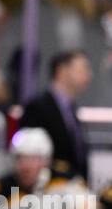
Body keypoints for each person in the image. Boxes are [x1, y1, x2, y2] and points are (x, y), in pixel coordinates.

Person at [0, 128, 88, 209]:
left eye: (32, 159)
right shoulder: (2, 188)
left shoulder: (65, 180)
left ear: (46, 160)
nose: (26, 166)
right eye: (20, 158)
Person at [17, 50, 93, 179]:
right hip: (48, 192)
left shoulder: (71, 109)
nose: (88, 75)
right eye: (82, 69)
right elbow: (29, 154)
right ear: (62, 71)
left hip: (74, 190)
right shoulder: (37, 107)